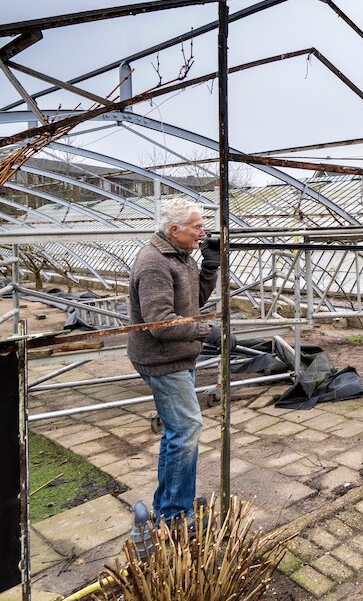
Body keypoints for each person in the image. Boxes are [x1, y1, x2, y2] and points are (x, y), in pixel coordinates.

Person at [128, 196, 220, 526]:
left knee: (176, 432)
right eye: (197, 227)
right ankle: (176, 516)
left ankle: (171, 503)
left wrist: (210, 266)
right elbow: (160, 324)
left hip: (177, 356)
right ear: (173, 229)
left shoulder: (180, 257)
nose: (202, 232)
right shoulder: (155, 264)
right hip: (163, 360)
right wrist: (209, 333)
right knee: (186, 430)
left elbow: (192, 302)